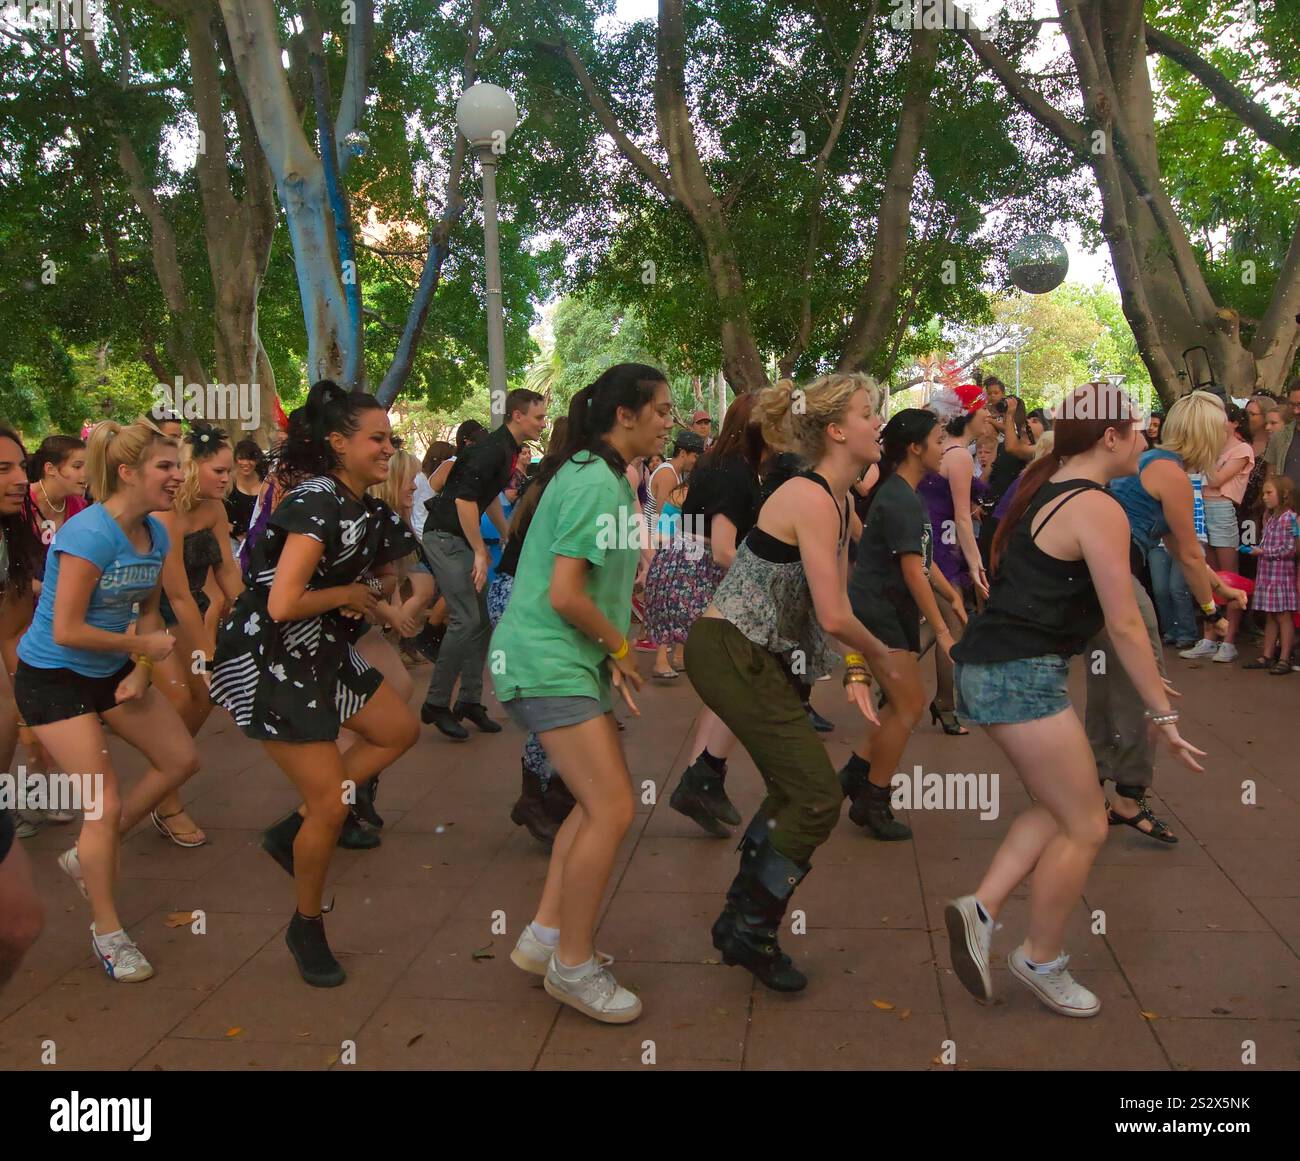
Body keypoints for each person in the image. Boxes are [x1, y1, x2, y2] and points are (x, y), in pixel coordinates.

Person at [945, 381, 1205, 1018]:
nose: (1145, 442)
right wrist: (1162, 714)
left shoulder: (1051, 488)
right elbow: (1123, 623)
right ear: (1110, 437)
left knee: (1063, 805)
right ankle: (1040, 959)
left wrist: (1151, 693)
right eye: (1138, 430)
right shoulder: (1097, 506)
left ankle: (979, 909)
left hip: (997, 668)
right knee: (1088, 823)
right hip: (1018, 675)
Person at [684, 372, 894, 992]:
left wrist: (857, 666)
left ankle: (742, 919)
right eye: (866, 414)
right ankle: (749, 927)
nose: (877, 422)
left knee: (795, 789)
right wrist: (881, 656)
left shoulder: (839, 498)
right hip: (730, 651)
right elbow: (834, 617)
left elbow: (839, 599)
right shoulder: (807, 496)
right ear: (835, 431)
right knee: (818, 797)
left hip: (756, 655)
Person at [209, 381, 422, 987]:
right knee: (332, 806)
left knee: (398, 730)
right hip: (271, 656)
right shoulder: (315, 502)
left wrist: (385, 607)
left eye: (389, 438)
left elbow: (381, 580)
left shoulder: (368, 507)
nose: (388, 449)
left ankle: (291, 826)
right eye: (376, 439)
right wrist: (354, 596)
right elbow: (280, 602)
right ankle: (306, 924)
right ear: (338, 443)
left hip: (323, 648)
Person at [493, 363, 674, 1024]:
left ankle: (545, 937)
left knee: (595, 805)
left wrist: (620, 619)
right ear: (624, 415)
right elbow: (566, 593)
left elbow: (581, 582)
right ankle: (573, 964)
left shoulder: (590, 474)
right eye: (660, 409)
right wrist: (622, 649)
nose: (669, 420)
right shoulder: (597, 481)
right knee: (614, 807)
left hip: (556, 660)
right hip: (548, 662)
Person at [17, 421, 200, 982]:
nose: (178, 476)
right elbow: (67, 629)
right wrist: (141, 646)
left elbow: (148, 607)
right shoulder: (89, 534)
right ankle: (109, 933)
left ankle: (89, 854)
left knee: (181, 760)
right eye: (166, 467)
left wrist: (142, 667)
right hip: (52, 677)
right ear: (128, 473)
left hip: (114, 670)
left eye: (179, 465)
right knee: (103, 804)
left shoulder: (155, 534)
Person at [1088, 391, 1247, 844]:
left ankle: (1094, 788)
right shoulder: (1172, 474)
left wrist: (1216, 587)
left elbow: (1181, 548)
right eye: (1222, 428)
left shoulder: (1154, 462)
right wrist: (1212, 613)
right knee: (1148, 685)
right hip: (1118, 580)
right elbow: (1191, 553)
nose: (1228, 434)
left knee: (1107, 686)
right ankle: (1126, 797)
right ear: (1206, 433)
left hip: (1098, 579)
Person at [841, 409, 967, 841]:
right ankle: (872, 800)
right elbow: (914, 572)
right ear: (914, 448)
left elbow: (923, 562)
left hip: (887, 611)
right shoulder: (898, 498)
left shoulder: (904, 494)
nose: (943, 447)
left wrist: (952, 595)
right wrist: (945, 631)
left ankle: (856, 776)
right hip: (879, 612)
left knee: (899, 704)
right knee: (910, 705)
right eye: (937, 440)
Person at [653, 394, 768, 835]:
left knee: (729, 684)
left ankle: (701, 778)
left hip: (688, 571)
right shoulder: (734, 471)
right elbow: (722, 549)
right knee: (736, 681)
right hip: (699, 577)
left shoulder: (723, 464)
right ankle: (702, 777)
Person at [419, 394, 546, 740]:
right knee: (466, 618)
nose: (542, 423)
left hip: (458, 539)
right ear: (517, 415)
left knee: (481, 620)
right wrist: (479, 550)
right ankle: (435, 703)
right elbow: (462, 501)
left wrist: (506, 534)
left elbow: (485, 496)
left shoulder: (505, 450)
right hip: (445, 538)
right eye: (538, 417)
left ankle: (469, 701)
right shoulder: (492, 449)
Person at [145, 424, 246, 848]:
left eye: (229, 471)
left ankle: (165, 778)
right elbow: (177, 594)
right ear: (192, 469)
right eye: (219, 471)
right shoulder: (163, 515)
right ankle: (165, 797)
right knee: (183, 699)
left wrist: (250, 615)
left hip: (193, 611)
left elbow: (226, 572)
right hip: (146, 615)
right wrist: (208, 652)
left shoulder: (216, 510)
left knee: (204, 698)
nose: (227, 478)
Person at [916, 383, 994, 734]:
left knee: (939, 627)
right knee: (953, 626)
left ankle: (887, 677)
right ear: (970, 416)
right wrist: (976, 564)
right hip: (942, 553)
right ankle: (946, 705)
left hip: (933, 546)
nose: (991, 417)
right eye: (986, 411)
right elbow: (962, 517)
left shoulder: (944, 451)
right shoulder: (959, 456)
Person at [0, 426, 46, 988]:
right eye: (2, 470)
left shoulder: (14, 539)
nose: (19, 479)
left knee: (19, 922)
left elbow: (10, 638)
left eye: (19, 466)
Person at [642, 429, 704, 679]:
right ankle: (662, 657)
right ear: (683, 452)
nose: (696, 460)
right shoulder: (669, 475)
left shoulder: (674, 473)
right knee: (669, 600)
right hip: (662, 544)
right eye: (695, 454)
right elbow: (660, 518)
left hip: (666, 544)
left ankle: (676, 656)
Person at [1240, 475, 1298, 673]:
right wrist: (1257, 549)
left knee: (1283, 616)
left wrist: (1263, 552)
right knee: (1270, 616)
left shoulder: (1290, 518)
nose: (1264, 497)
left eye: (1269, 492)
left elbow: (1291, 549)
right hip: (1267, 575)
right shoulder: (1270, 517)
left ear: (1284, 494)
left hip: (1281, 577)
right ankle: (1267, 655)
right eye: (1263, 493)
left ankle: (1284, 658)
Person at [226, 439, 264, 549]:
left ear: (257, 460)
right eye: (241, 458)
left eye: (251, 459)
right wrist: (237, 532)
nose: (246, 463)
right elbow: (215, 514)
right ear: (235, 459)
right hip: (232, 539)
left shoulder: (265, 481)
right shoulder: (228, 482)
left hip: (259, 540)